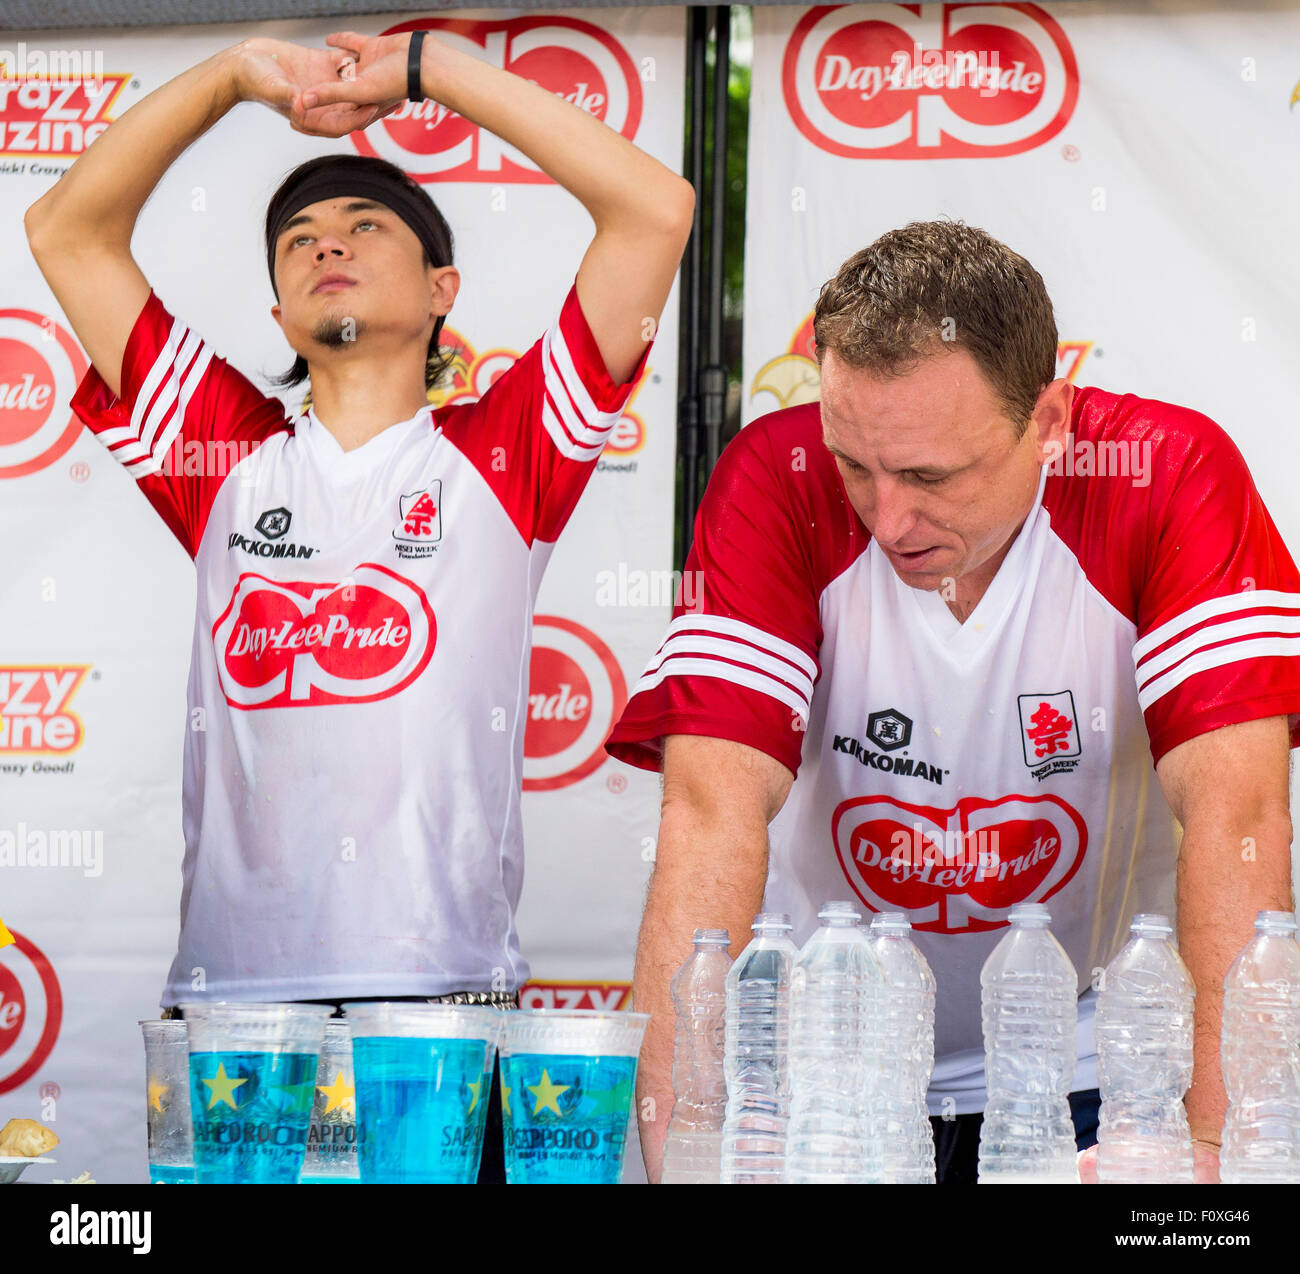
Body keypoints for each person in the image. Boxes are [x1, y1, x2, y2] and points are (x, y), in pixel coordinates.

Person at [24, 29, 693, 1183]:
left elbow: (653, 211)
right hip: (231, 1013)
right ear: (280, 313)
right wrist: (238, 77)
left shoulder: (505, 455)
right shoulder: (220, 454)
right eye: (298, 241)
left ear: (443, 291)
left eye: (363, 228)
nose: (325, 244)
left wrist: (430, 69)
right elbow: (66, 230)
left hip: (440, 1012)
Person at [606, 220, 1300, 1185]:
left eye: (932, 477)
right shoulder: (777, 473)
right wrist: (678, 1159)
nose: (888, 519)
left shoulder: (1167, 473)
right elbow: (709, 814)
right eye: (856, 464)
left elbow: (1240, 817)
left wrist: (1217, 1162)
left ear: (1050, 422)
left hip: (1089, 1068)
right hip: (834, 1073)